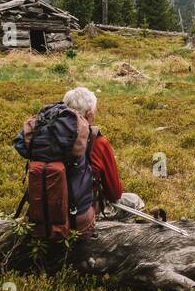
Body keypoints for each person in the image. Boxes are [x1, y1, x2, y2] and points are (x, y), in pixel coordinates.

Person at [16, 86, 123, 241]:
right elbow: (114, 193)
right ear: (90, 114)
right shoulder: (98, 142)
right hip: (78, 224)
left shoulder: (44, 136)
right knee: (133, 201)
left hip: (40, 219)